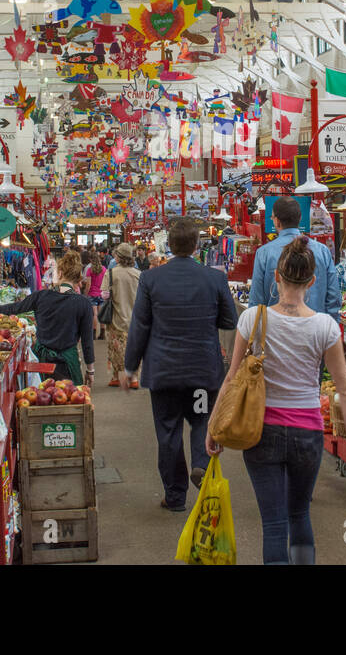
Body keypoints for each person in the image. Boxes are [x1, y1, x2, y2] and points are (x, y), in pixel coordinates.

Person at [207, 236, 346, 564]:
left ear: (276, 277)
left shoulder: (252, 319)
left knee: (274, 523)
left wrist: (213, 425)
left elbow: (233, 378)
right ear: (312, 280)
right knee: (299, 515)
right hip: (308, 434)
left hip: (260, 431)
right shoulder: (326, 326)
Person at [123, 218, 237, 512]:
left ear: (168, 246)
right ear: (197, 245)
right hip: (201, 373)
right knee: (200, 420)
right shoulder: (215, 278)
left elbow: (140, 326)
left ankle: (175, 496)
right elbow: (228, 320)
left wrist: (129, 367)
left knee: (169, 431)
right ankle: (200, 463)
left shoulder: (151, 279)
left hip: (165, 374)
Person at [0, 251, 94, 384]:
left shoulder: (41, 296)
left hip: (40, 364)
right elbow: (87, 342)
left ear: (60, 273)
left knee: (40, 397)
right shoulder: (84, 304)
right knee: (69, 399)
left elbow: (15, 308)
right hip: (68, 363)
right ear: (78, 278)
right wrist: (90, 371)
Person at [250, 196, 340, 321]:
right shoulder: (323, 251)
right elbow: (334, 298)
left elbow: (256, 302)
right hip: (315, 332)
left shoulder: (264, 253)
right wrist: (330, 328)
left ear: (276, 221)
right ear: (300, 219)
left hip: (276, 332)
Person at [105, 243, 141, 389]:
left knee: (115, 348)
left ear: (118, 257)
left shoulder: (111, 273)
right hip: (135, 318)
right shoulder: (139, 274)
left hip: (115, 317)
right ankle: (134, 378)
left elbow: (105, 295)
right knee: (134, 347)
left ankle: (115, 377)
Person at [82, 250, 109, 337]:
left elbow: (88, 284)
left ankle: (93, 334)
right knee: (101, 314)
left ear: (91, 260)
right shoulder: (104, 269)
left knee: (94, 314)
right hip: (101, 294)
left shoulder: (90, 270)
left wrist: (86, 293)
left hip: (92, 294)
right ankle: (102, 333)